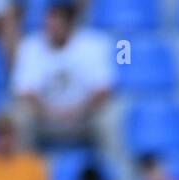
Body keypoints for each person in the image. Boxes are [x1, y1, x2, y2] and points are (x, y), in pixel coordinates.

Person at [10, 0, 113, 149]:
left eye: (57, 25)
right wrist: (49, 112)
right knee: (19, 116)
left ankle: (119, 170)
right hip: (44, 118)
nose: (51, 30)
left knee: (110, 115)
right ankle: (24, 169)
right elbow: (24, 92)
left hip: (84, 117)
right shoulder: (30, 46)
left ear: (70, 24)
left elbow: (104, 89)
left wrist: (79, 110)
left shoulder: (94, 44)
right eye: (48, 25)